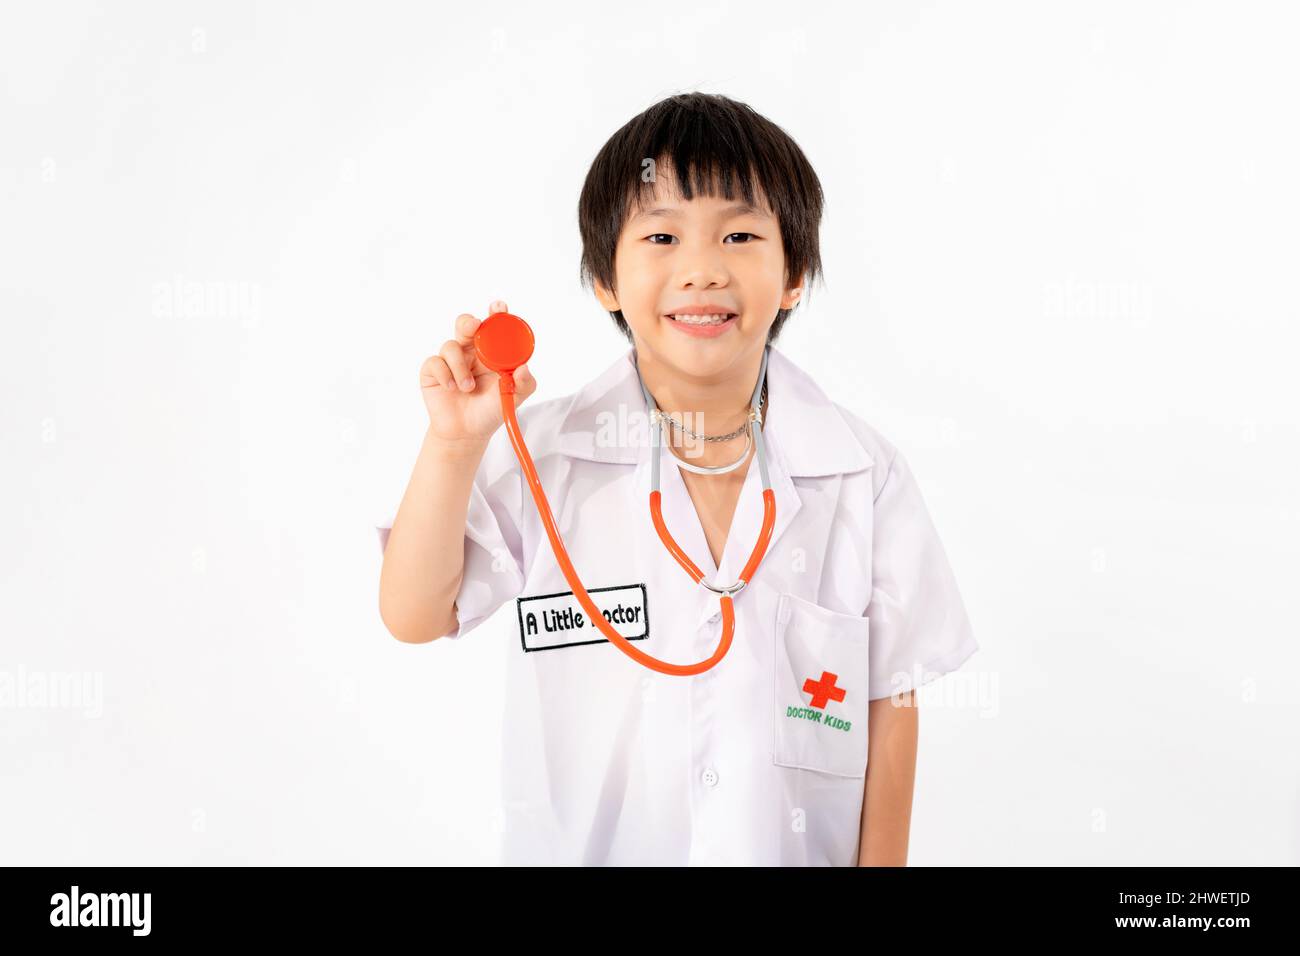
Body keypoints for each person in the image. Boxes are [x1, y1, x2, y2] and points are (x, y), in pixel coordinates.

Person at [377, 92, 978, 866]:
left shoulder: (862, 472)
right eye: (661, 236)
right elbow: (415, 613)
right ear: (604, 278)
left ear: (794, 274)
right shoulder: (548, 455)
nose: (702, 269)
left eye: (740, 234)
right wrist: (454, 446)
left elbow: (890, 699)